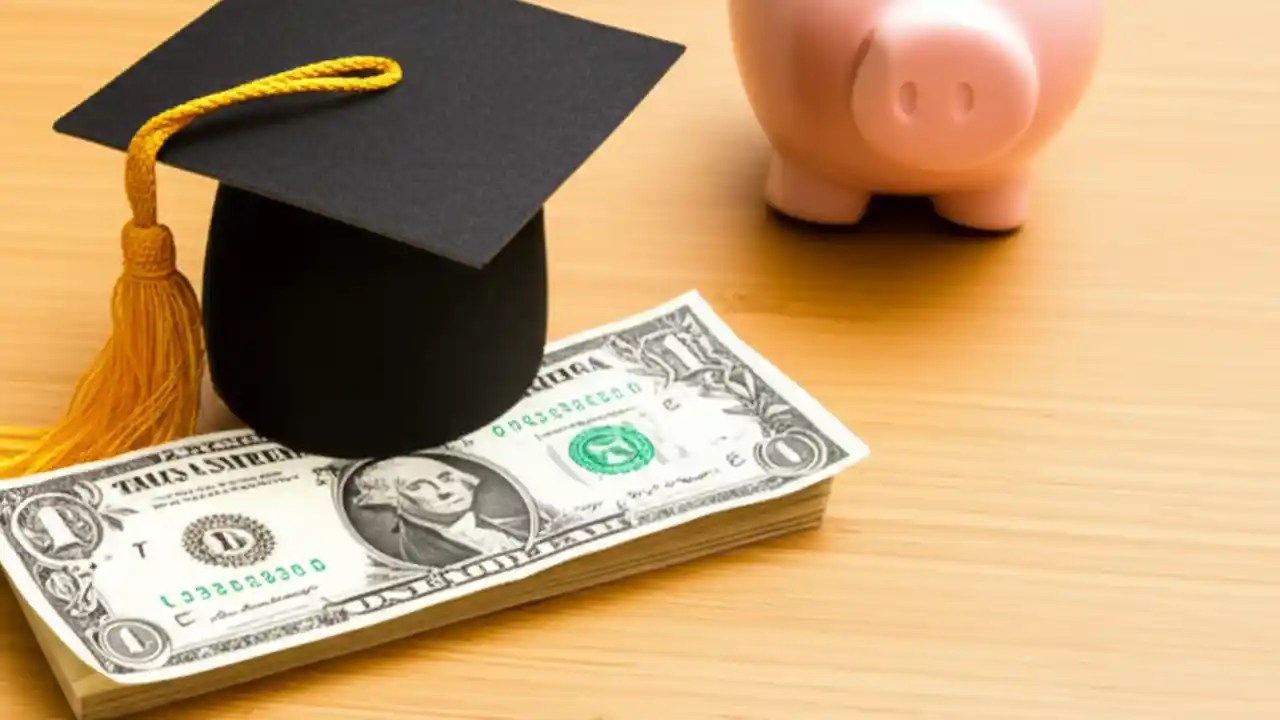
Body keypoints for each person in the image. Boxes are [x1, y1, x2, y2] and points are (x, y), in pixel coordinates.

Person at [348, 456, 528, 567]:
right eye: (417, 486)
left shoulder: (513, 521)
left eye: (446, 478)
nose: (444, 491)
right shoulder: (419, 553)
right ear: (394, 500)